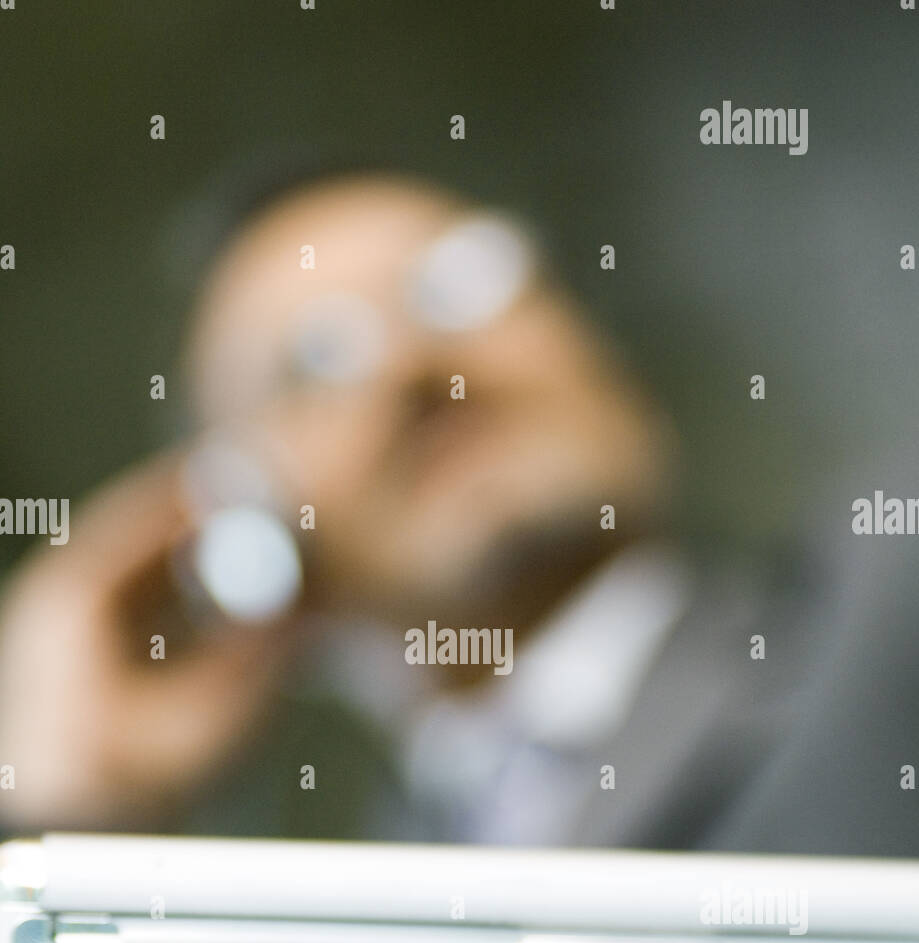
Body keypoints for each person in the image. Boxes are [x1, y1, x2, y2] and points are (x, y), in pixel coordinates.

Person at [0, 167, 916, 855]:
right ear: (244, 530)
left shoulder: (886, 598)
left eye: (455, 282)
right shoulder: (332, 940)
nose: (407, 363)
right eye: (314, 364)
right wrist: (80, 821)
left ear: (598, 352)